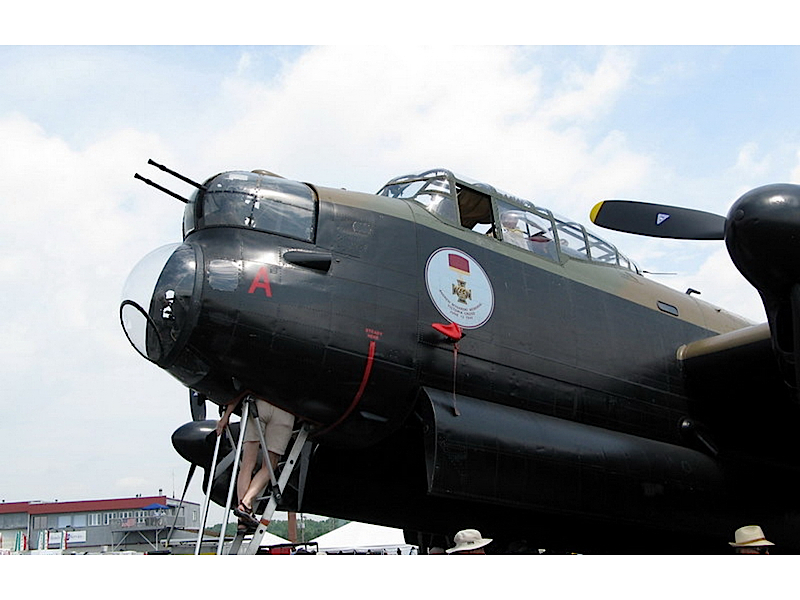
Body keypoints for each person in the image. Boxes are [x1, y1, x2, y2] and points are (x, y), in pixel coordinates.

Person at [216, 396, 296, 529]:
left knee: (247, 464)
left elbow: (240, 387)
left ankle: (243, 518)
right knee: (270, 465)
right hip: (284, 409)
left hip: (258, 403)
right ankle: (246, 504)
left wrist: (226, 416)